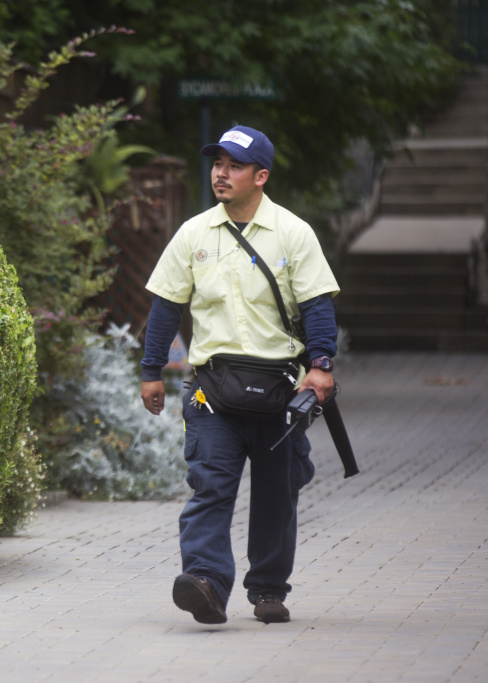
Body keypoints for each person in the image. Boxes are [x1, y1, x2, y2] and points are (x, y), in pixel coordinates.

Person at [139, 125, 339, 625]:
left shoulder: (293, 232)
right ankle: (206, 582)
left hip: (281, 389)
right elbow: (166, 307)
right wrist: (151, 370)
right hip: (212, 391)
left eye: (234, 165)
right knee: (209, 486)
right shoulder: (193, 233)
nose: (221, 173)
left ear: (261, 176)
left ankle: (268, 589)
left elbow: (317, 306)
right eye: (217, 164)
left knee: (277, 494)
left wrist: (321, 367)